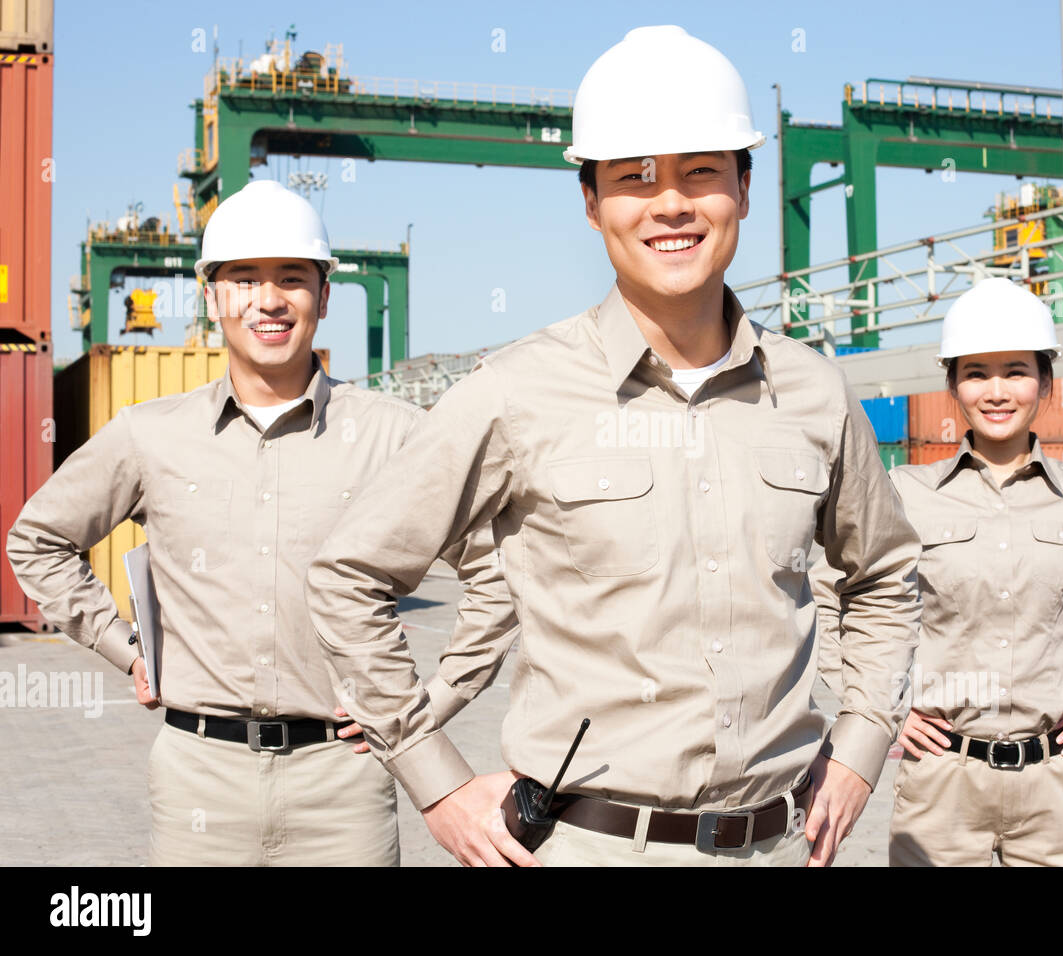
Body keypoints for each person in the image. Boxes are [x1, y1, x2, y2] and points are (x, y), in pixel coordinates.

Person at [305, 25, 921, 868]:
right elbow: (349, 575)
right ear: (591, 201)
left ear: (744, 186)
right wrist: (436, 780)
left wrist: (862, 742)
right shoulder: (515, 393)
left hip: (779, 845)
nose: (670, 204)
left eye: (700, 171)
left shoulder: (812, 391)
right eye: (634, 178)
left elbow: (884, 576)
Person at [6, 179, 517, 866]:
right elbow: (37, 540)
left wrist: (431, 702)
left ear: (325, 296)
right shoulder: (149, 436)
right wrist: (125, 648)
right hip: (198, 778)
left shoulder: (395, 437)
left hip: (346, 786)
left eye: (291, 279)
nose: (269, 299)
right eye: (244, 279)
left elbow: (497, 575)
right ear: (212, 296)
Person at [814, 277, 1063, 866]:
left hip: (1058, 788)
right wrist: (875, 712)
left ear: (1045, 382)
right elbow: (824, 598)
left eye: (1016, 371)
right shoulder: (904, 494)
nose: (996, 392)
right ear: (953, 384)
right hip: (939, 784)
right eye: (976, 372)